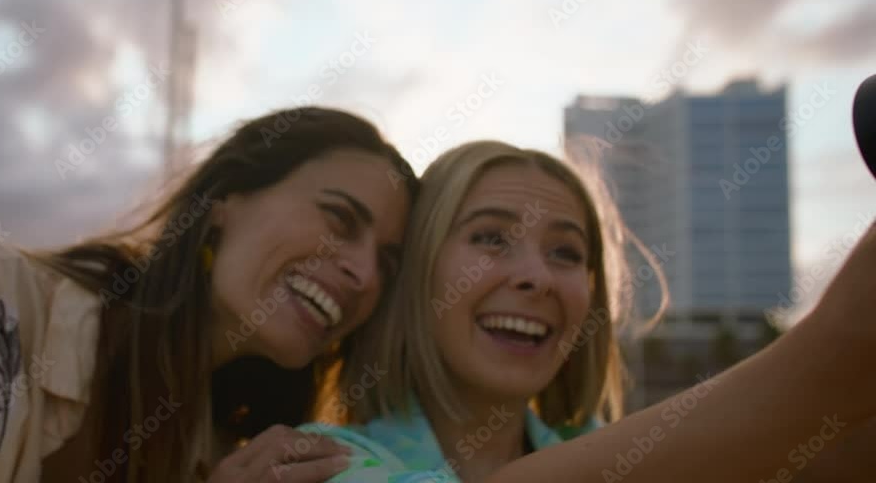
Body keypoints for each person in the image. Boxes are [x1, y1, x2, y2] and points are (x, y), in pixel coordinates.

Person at [0, 107, 418, 482]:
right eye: (339, 218)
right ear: (225, 202)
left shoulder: (230, 452)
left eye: (388, 266)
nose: (364, 274)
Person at [302, 140, 876, 482]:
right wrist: (836, 347)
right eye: (490, 238)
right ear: (414, 275)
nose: (536, 276)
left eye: (566, 252)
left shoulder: (617, 446)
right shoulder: (315, 464)